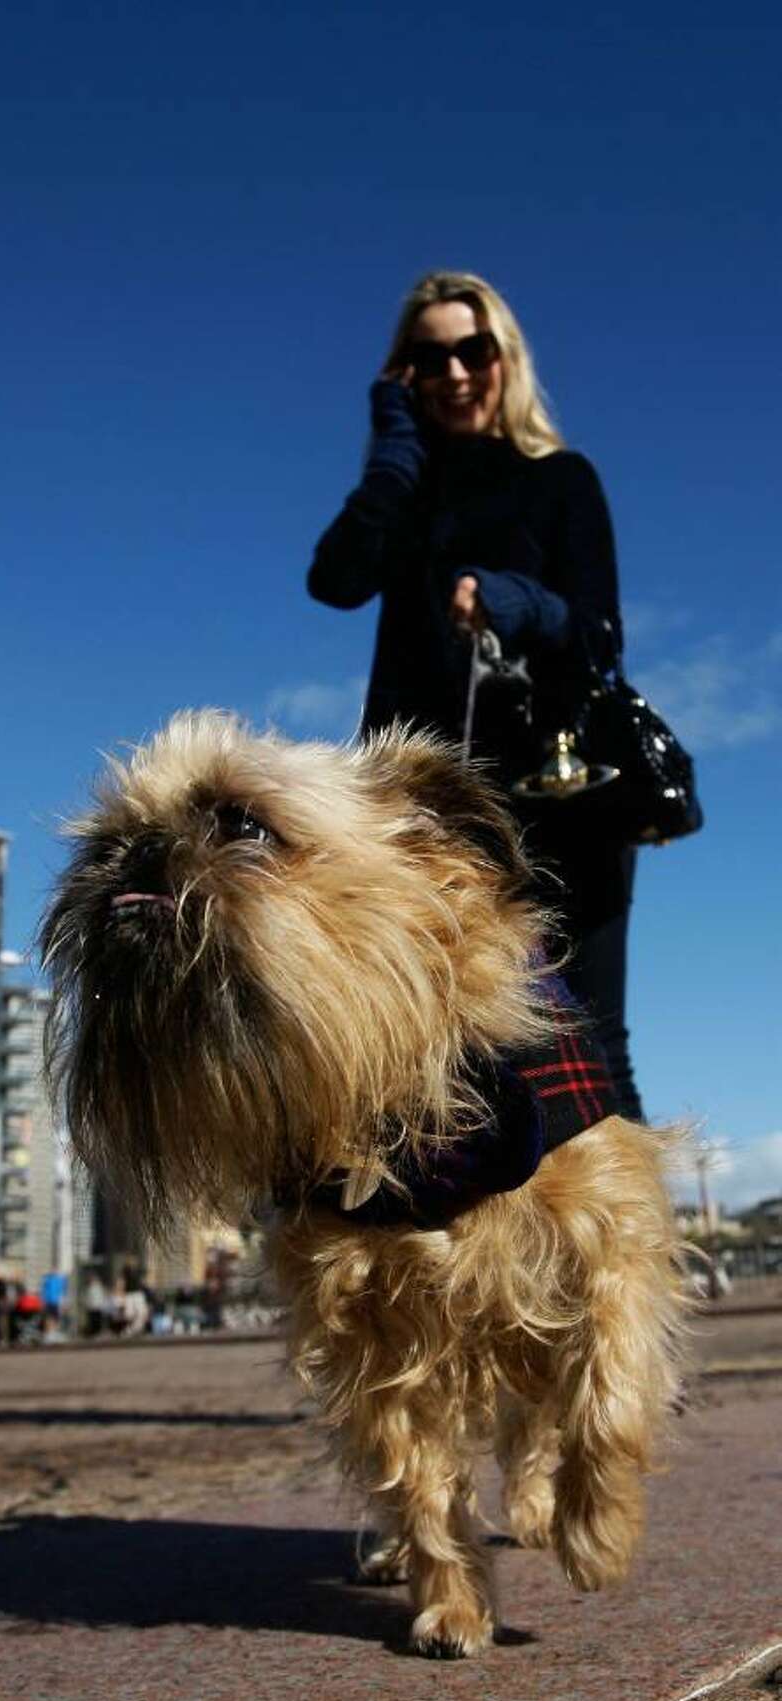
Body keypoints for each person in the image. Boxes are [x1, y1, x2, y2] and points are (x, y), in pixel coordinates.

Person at [307, 269, 643, 1118]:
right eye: (429, 359)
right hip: (422, 808)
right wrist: (392, 451)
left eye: (473, 350)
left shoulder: (561, 478)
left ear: (505, 357)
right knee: (423, 1038)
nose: (455, 373)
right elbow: (335, 579)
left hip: (559, 788)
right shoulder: (406, 497)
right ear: (406, 375)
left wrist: (516, 600)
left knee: (587, 1037)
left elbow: (600, 635)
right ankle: (449, 1251)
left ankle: (627, 1253)